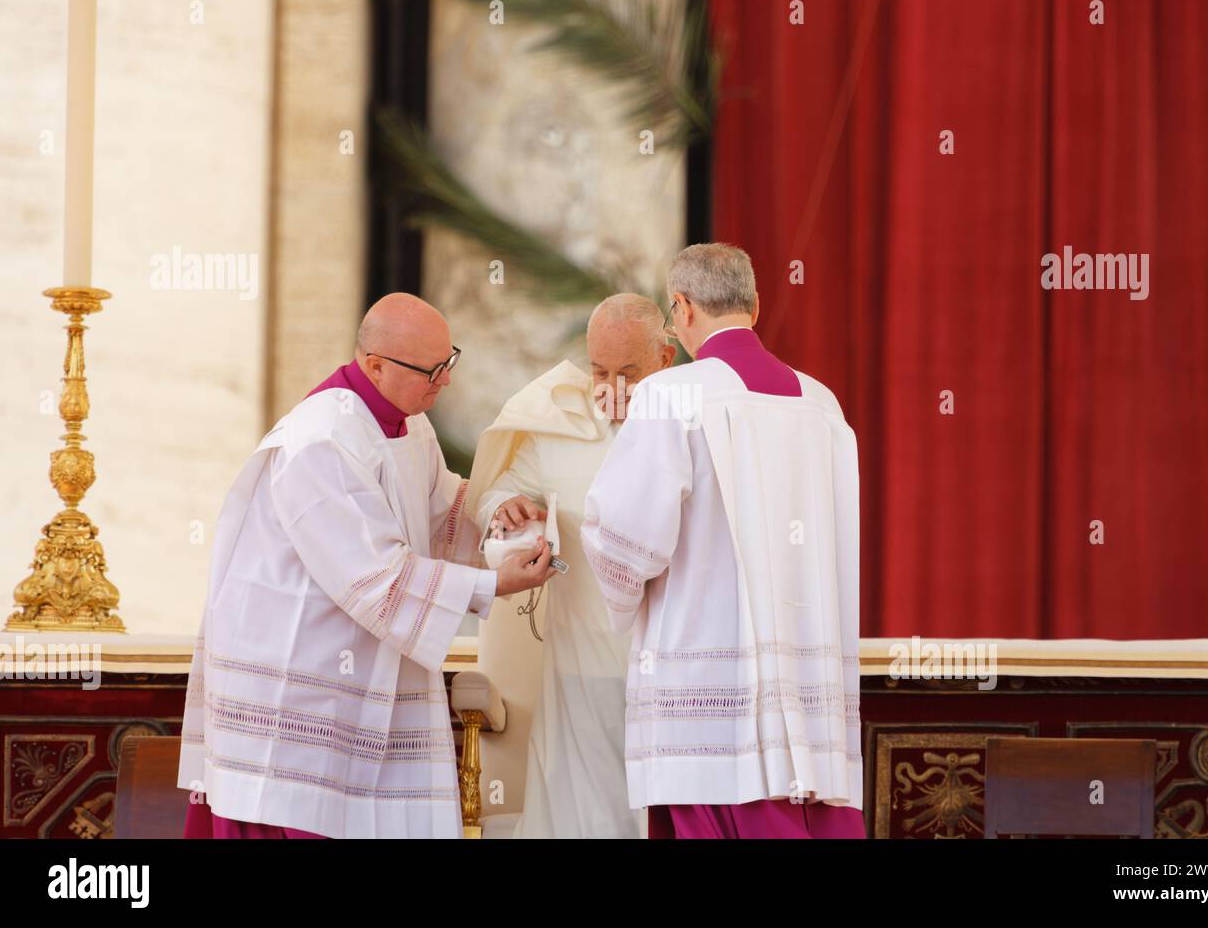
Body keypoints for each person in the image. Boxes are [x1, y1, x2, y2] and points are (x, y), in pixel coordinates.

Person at [177, 292, 554, 838]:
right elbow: (373, 576)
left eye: (449, 361)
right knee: (299, 812)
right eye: (432, 369)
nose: (444, 381)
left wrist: (498, 514)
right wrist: (493, 583)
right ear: (375, 365)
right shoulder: (322, 439)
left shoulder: (406, 424)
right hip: (298, 679)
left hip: (350, 666)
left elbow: (440, 506)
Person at [581, 244, 865, 839]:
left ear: (680, 309)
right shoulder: (822, 405)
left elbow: (626, 541)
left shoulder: (671, 395)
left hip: (705, 688)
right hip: (807, 690)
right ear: (755, 307)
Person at [466, 293, 675, 838]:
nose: (609, 388)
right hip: (579, 660)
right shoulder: (558, 419)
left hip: (672, 668)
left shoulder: (695, 425)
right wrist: (502, 509)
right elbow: (499, 493)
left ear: (665, 359)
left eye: (628, 373)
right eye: (598, 369)